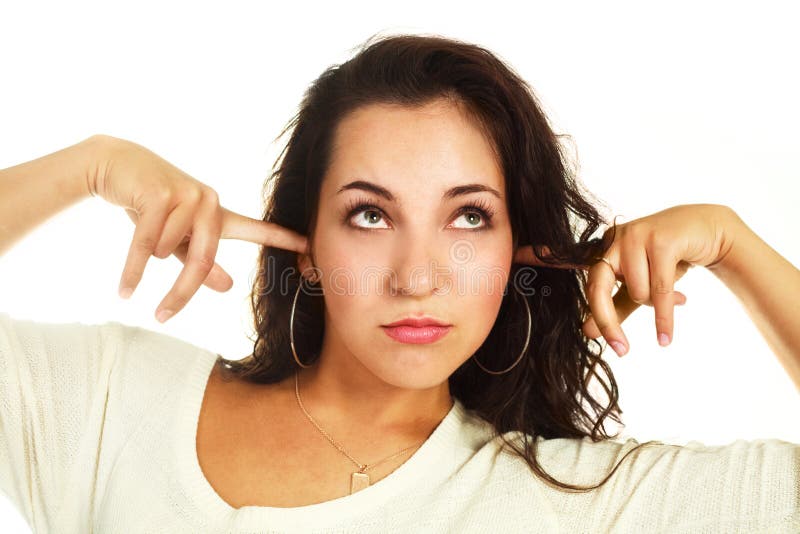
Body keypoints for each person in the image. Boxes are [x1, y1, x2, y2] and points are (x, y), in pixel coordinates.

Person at [0, 33, 797, 533]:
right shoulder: (110, 401)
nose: (418, 278)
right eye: (371, 216)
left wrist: (735, 246)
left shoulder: (580, 502)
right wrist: (89, 167)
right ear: (305, 245)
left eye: (471, 218)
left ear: (525, 250)